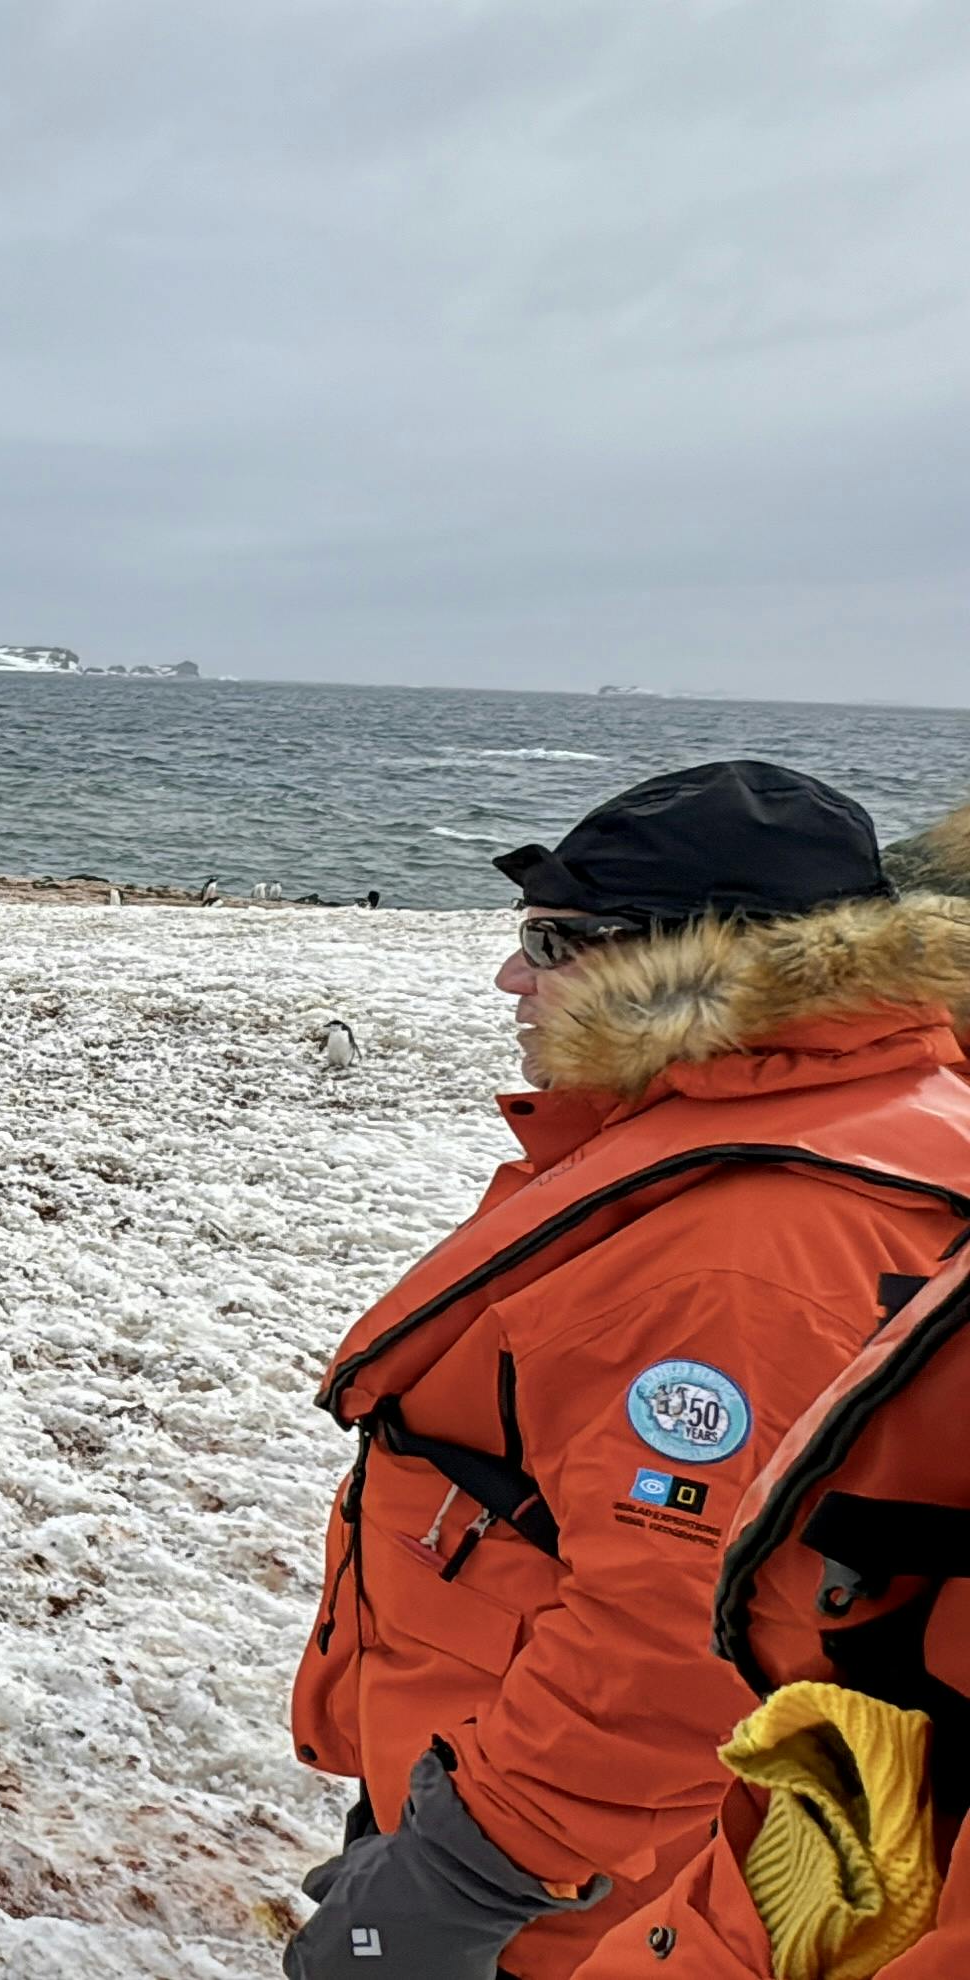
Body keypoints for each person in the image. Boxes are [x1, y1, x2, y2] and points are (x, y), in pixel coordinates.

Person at [286, 762, 970, 1980]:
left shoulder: (746, 1249)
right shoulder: (879, 1111)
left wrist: (458, 1878)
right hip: (550, 1804)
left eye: (550, 943)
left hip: (588, 1887)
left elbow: (671, 1624)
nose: (512, 979)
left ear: (693, 967)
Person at [566, 1243, 970, 1980]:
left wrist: (471, 1854)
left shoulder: (741, 1259)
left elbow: (652, 1617)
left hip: (565, 1861)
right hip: (746, 1863)